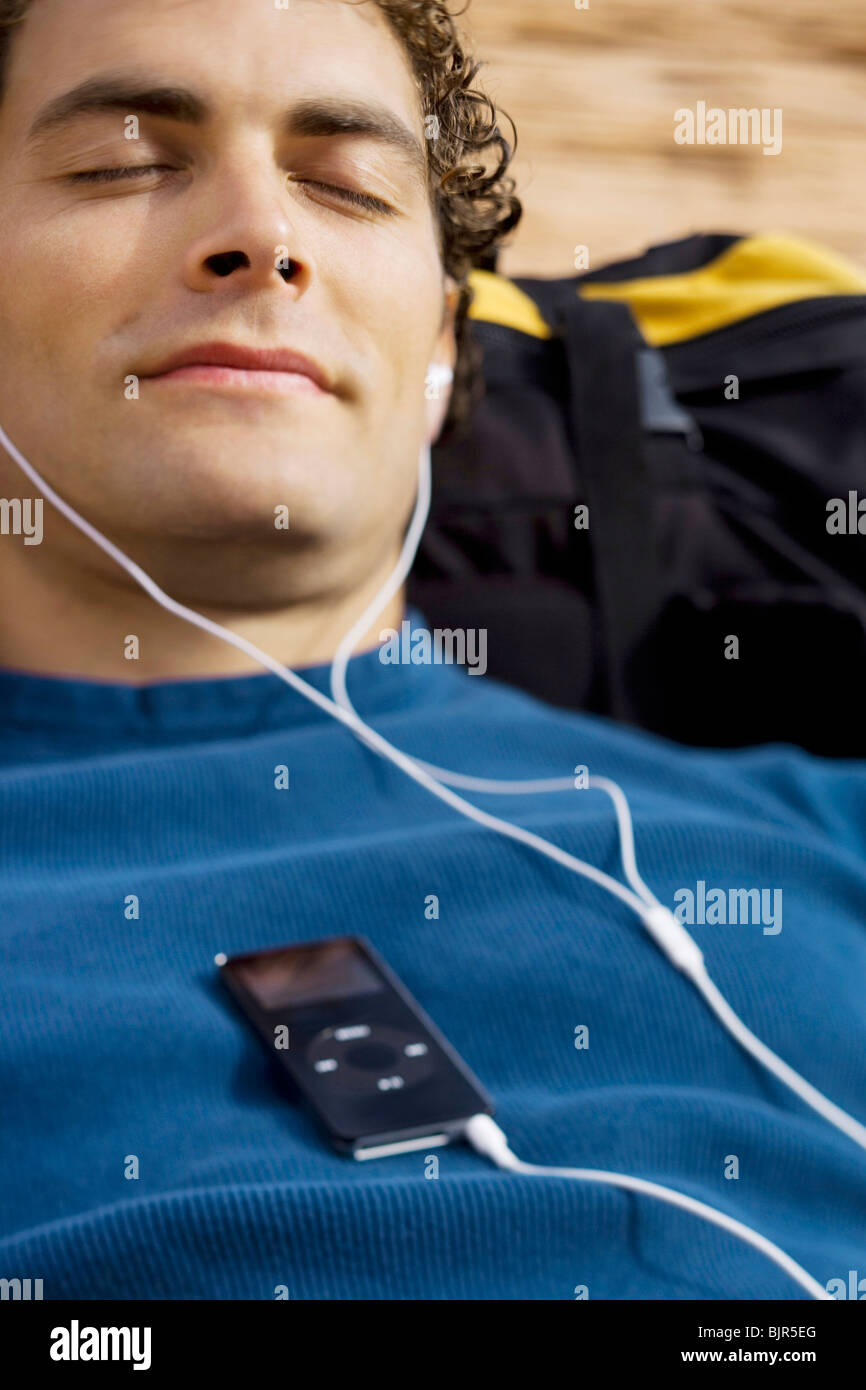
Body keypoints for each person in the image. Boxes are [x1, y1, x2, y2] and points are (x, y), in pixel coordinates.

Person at [0, 0, 864, 1302]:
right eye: (124, 161)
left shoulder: (822, 831)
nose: (264, 237)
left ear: (444, 349)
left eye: (346, 186)